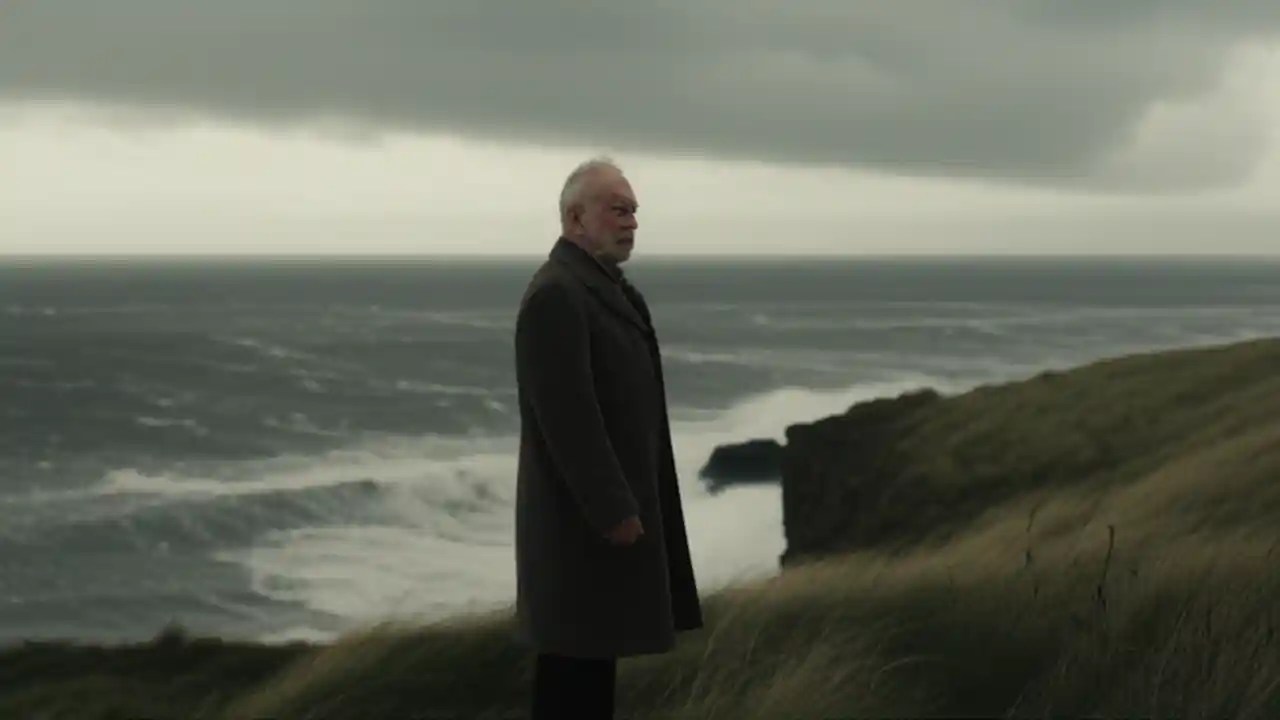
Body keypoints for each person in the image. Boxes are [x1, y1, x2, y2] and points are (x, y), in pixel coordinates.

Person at [513, 157, 704, 718]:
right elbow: (567, 418)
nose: (632, 222)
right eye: (618, 210)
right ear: (576, 218)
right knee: (571, 674)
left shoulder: (608, 291)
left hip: (601, 527)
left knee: (591, 673)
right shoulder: (557, 295)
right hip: (579, 530)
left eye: (635, 212)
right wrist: (614, 509)